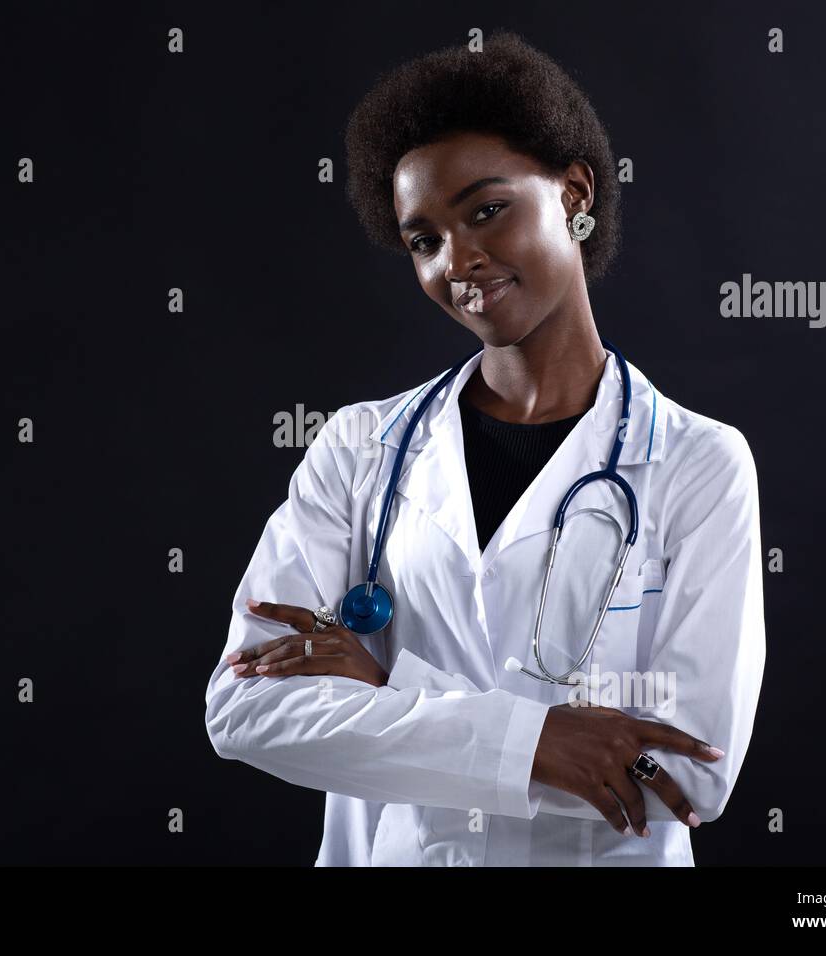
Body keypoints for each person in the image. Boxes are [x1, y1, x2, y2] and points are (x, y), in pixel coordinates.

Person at [203, 31, 765, 866]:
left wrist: (392, 689)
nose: (458, 261)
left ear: (574, 191)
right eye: (423, 239)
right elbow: (245, 711)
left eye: (487, 210)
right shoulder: (361, 447)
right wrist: (541, 740)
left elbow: (682, 773)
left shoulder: (697, 463)